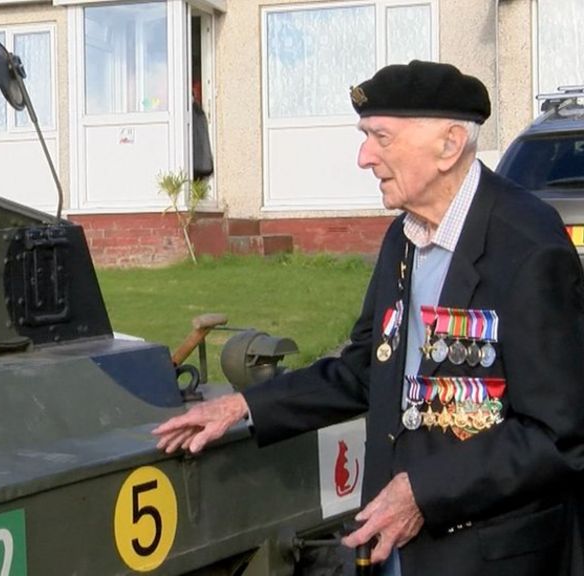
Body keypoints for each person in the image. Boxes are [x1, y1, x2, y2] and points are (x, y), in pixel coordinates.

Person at [153, 60, 584, 575]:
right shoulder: (404, 236)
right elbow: (365, 367)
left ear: (449, 146)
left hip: (490, 557)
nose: (364, 157)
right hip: (396, 550)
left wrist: (422, 492)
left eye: (381, 137)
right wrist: (243, 405)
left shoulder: (527, 245)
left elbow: (558, 435)